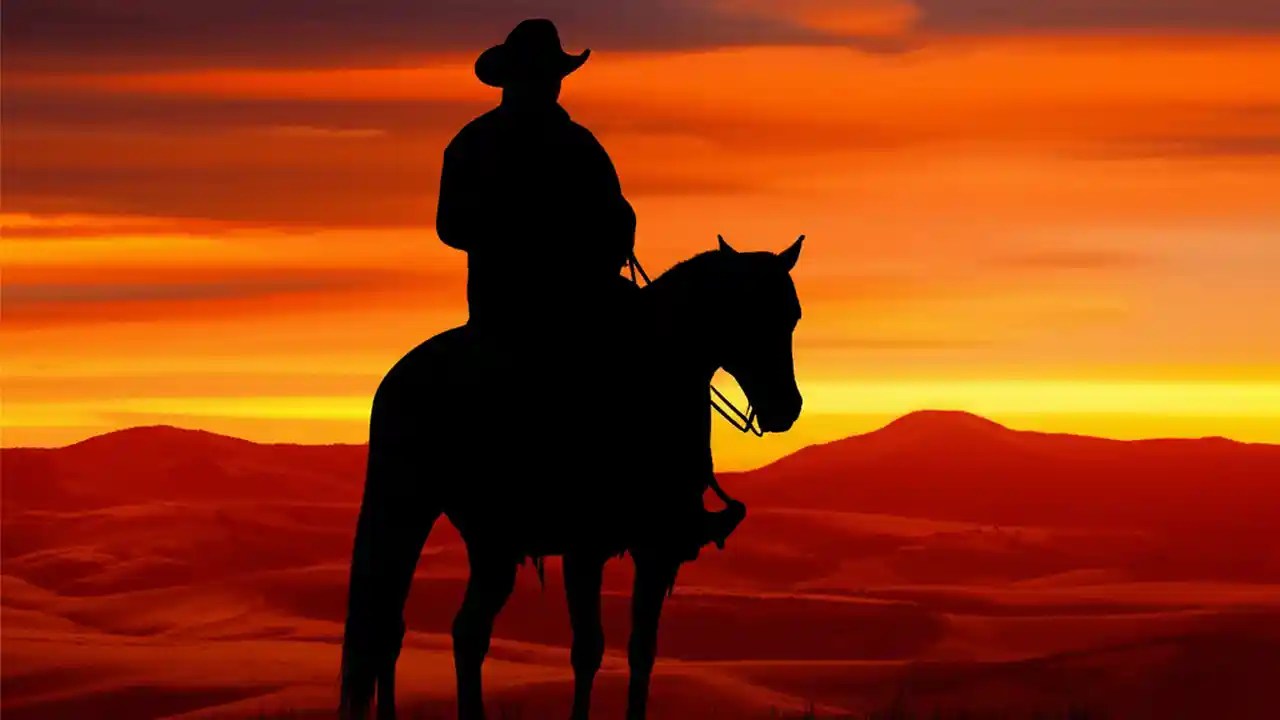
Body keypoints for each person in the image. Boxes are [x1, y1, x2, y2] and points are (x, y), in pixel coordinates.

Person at [434, 18, 742, 556]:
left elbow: (617, 212)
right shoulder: (476, 144)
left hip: (586, 294)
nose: (547, 85)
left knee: (668, 354)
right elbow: (451, 226)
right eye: (538, 74)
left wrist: (615, 232)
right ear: (514, 79)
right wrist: (530, 235)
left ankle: (680, 499)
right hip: (510, 304)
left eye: (551, 75)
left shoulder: (578, 145)